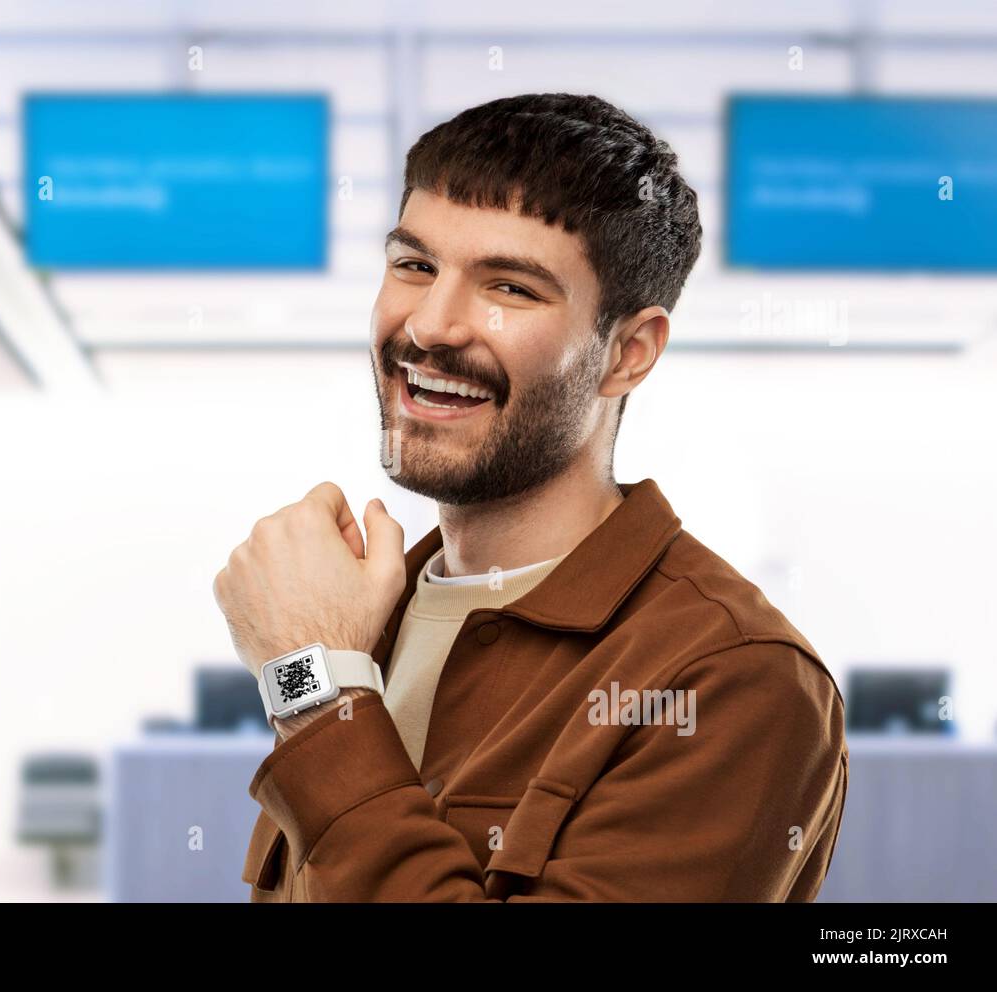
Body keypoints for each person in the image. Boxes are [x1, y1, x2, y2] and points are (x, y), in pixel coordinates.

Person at [213, 93, 848, 902]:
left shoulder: (732, 681)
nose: (431, 326)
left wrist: (310, 685)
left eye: (509, 287)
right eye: (414, 265)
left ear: (627, 354)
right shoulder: (367, 622)